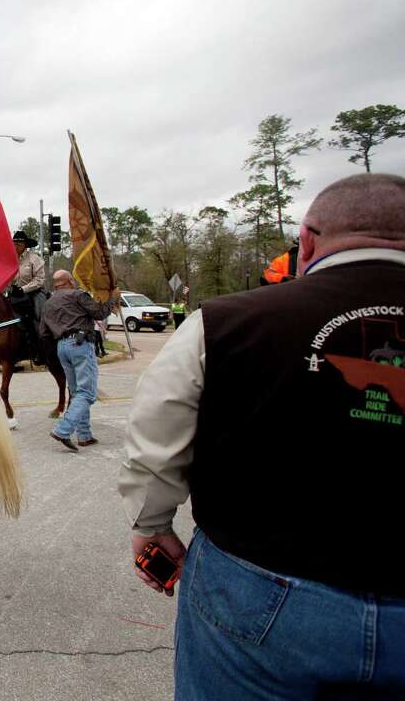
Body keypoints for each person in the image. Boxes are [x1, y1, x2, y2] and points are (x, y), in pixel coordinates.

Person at [119, 173, 405, 699]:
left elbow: (158, 428)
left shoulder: (224, 321)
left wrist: (151, 523)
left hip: (261, 586)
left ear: (309, 241)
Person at [38, 270, 120, 450]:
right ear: (69, 281)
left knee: (77, 393)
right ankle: (63, 430)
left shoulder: (48, 303)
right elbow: (99, 313)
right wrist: (112, 299)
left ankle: (84, 435)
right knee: (87, 393)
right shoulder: (78, 295)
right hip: (80, 345)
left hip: (61, 347)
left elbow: (43, 333)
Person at [9, 230, 47, 364]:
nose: (17, 245)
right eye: (15, 242)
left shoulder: (34, 258)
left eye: (20, 242)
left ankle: (41, 351)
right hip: (15, 293)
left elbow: (40, 279)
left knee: (39, 316)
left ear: (25, 244)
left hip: (34, 292)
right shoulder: (8, 259)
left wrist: (23, 289)